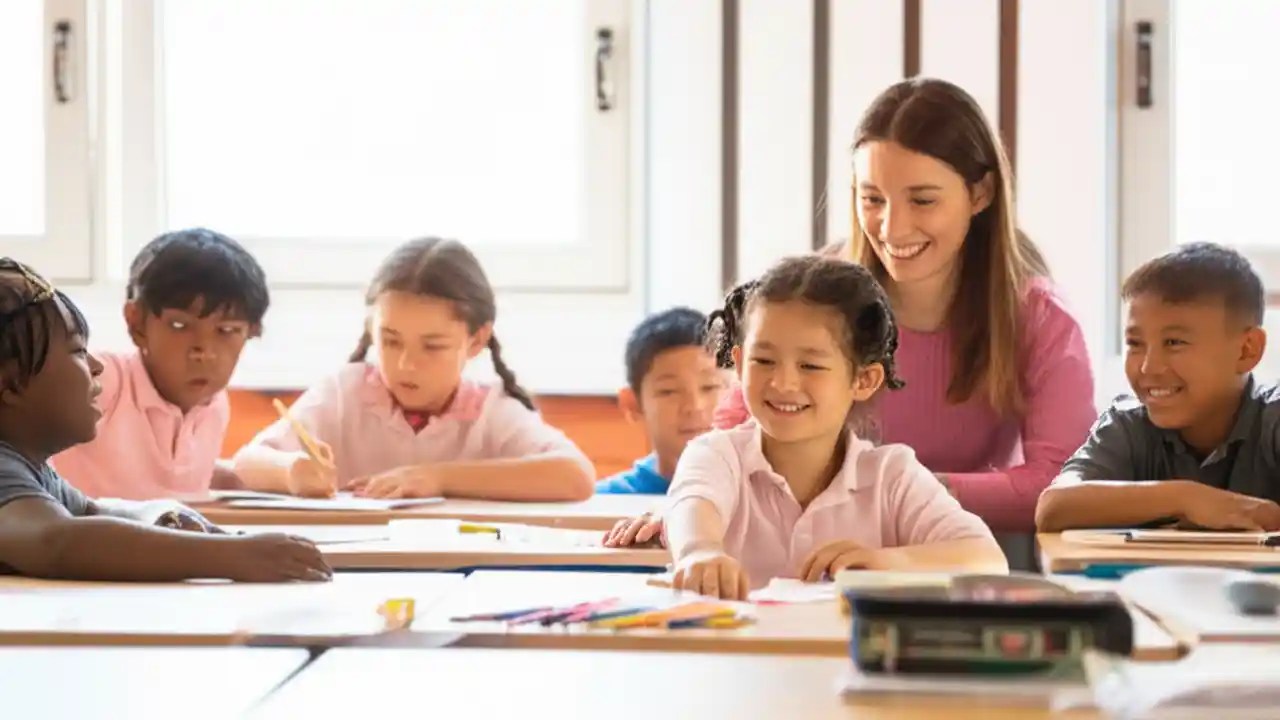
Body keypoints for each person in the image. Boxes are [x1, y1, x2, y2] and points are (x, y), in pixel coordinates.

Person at [665, 255, 1004, 599]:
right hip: (736, 650)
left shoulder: (891, 475)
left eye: (810, 365)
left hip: (852, 653)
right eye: (763, 361)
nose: (782, 383)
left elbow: (986, 559)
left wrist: (886, 562)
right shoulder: (716, 455)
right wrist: (700, 551)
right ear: (738, 365)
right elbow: (691, 507)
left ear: (864, 379)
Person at [0, 258, 329, 581]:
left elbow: (89, 511)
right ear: (8, 384)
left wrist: (164, 516)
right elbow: (56, 541)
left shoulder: (32, 468)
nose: (96, 365)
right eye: (77, 351)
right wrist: (235, 556)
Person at [234, 237, 595, 501]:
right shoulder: (346, 393)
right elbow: (248, 462)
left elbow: (575, 475)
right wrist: (292, 471)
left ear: (476, 340)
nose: (406, 364)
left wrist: (436, 477)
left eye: (433, 346)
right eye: (390, 341)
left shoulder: (487, 409)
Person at [1037, 243, 1280, 532]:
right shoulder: (1127, 426)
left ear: (1246, 350)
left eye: (1175, 343)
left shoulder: (1272, 422)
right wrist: (1186, 497)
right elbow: (1054, 507)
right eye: (1135, 344)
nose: (1148, 367)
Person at [52, 228, 268, 499]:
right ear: (136, 323)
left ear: (252, 331)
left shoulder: (215, 407)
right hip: (78, 540)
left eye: (227, 330)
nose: (204, 350)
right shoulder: (102, 382)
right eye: (179, 325)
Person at [595, 307, 725, 495]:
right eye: (669, 391)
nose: (694, 406)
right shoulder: (606, 501)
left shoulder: (759, 496)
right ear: (633, 405)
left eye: (710, 386)